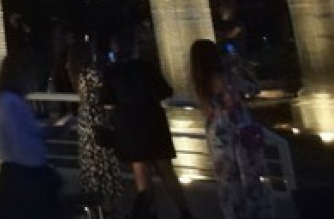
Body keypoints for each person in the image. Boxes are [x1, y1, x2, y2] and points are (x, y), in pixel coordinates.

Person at [102, 29, 190, 219]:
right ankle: (184, 212)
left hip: (130, 128)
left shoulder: (111, 72)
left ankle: (147, 213)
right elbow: (165, 91)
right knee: (167, 172)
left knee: (141, 175)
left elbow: (107, 101)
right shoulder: (146, 68)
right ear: (134, 47)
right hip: (154, 124)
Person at [190, 39, 273, 219]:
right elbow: (253, 88)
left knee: (228, 183)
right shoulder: (225, 76)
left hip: (217, 134)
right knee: (250, 179)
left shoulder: (200, 81)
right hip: (237, 129)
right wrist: (238, 64)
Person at [0, 52, 61, 219]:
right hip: (24, 178)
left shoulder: (5, 101)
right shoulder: (11, 102)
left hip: (17, 175)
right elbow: (23, 144)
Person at [66, 41, 123, 218]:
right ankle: (107, 206)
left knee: (90, 163)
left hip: (84, 119)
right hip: (97, 117)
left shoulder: (75, 72)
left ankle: (93, 205)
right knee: (103, 160)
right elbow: (105, 94)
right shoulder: (91, 72)